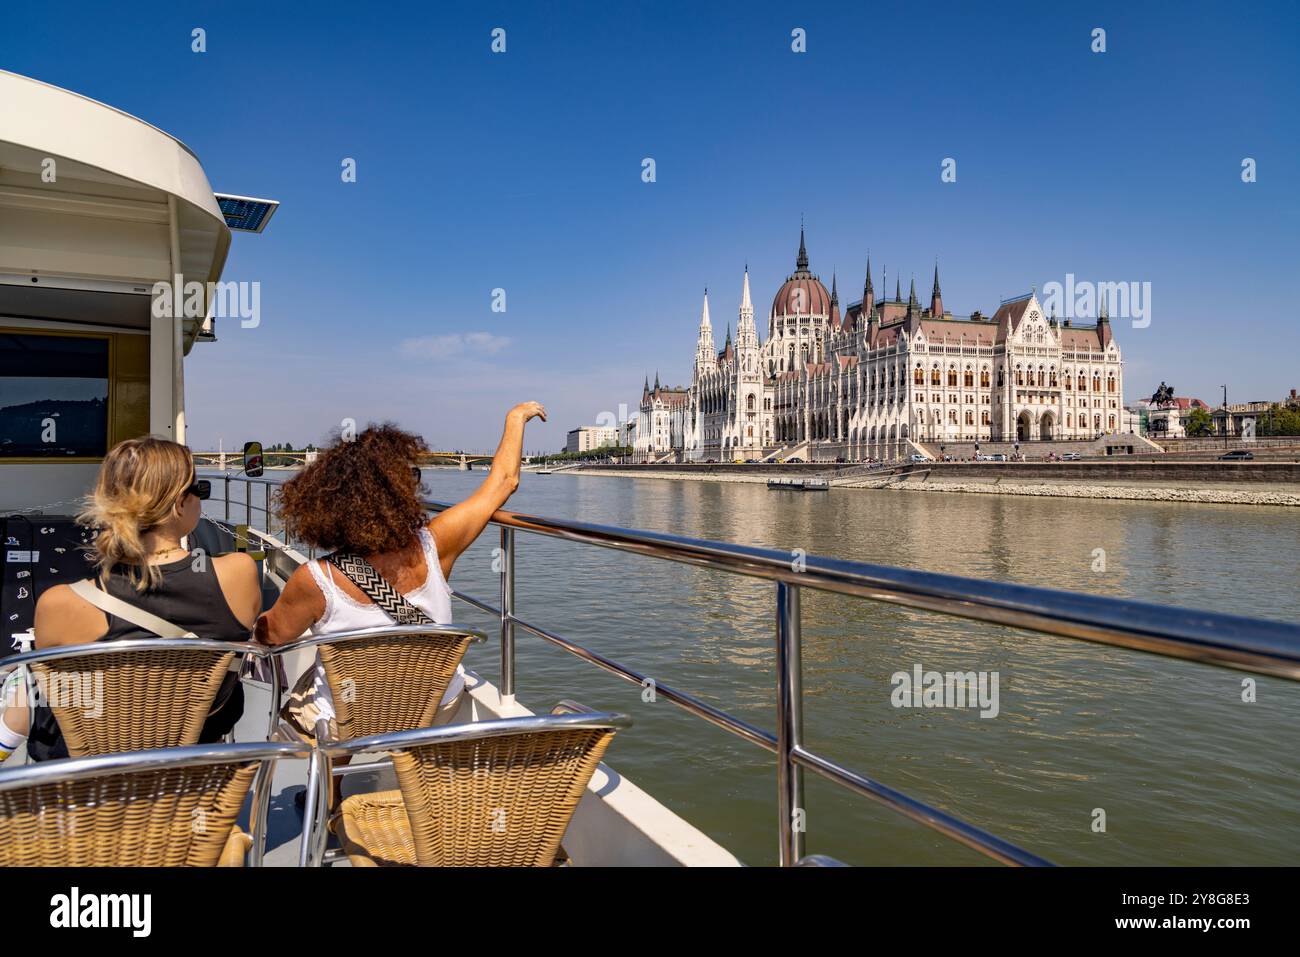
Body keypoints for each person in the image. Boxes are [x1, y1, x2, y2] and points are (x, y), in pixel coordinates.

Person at [254, 402, 546, 740]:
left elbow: (272, 636)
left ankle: (332, 787)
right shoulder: (435, 544)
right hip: (434, 708)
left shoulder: (315, 579)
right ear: (402, 493)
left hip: (352, 719)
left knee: (313, 696)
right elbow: (504, 481)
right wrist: (515, 419)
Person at [0, 437, 262, 762]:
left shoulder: (62, 603)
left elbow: (55, 694)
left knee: (31, 681)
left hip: (85, 794)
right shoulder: (239, 574)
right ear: (180, 503)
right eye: (198, 488)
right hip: (193, 787)